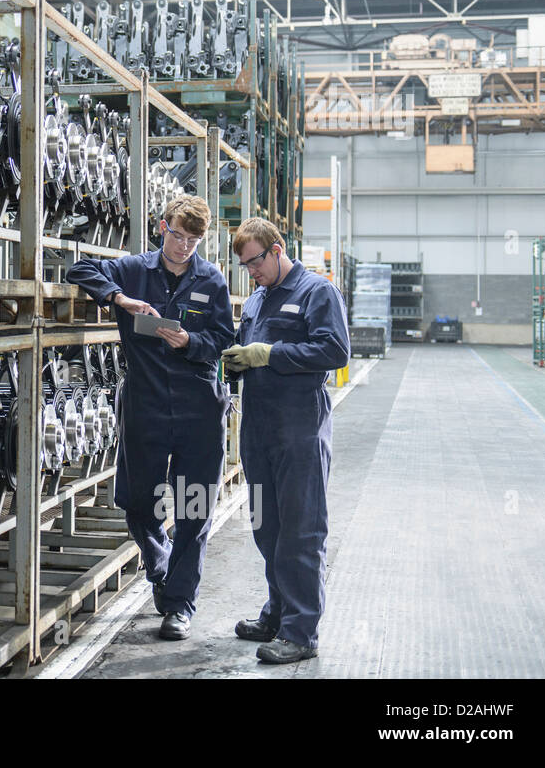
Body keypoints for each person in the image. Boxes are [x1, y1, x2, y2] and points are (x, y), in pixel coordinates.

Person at [67, 195, 234, 640]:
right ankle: (161, 567)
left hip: (199, 403)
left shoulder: (211, 279)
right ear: (163, 227)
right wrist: (121, 300)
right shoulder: (134, 269)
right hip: (145, 401)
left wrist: (190, 343)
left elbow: (222, 336)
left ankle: (179, 605)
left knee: (193, 506)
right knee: (137, 501)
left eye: (193, 240)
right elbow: (79, 268)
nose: (183, 246)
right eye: (177, 235)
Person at [221, 218, 349, 664]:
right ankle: (276, 613)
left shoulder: (317, 292)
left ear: (276, 250)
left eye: (255, 262)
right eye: (244, 266)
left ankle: (301, 632)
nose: (250, 272)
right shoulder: (257, 300)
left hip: (299, 429)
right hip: (259, 430)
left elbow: (335, 351)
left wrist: (270, 354)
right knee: (268, 529)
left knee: (300, 531)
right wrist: (237, 362)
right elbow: (247, 347)